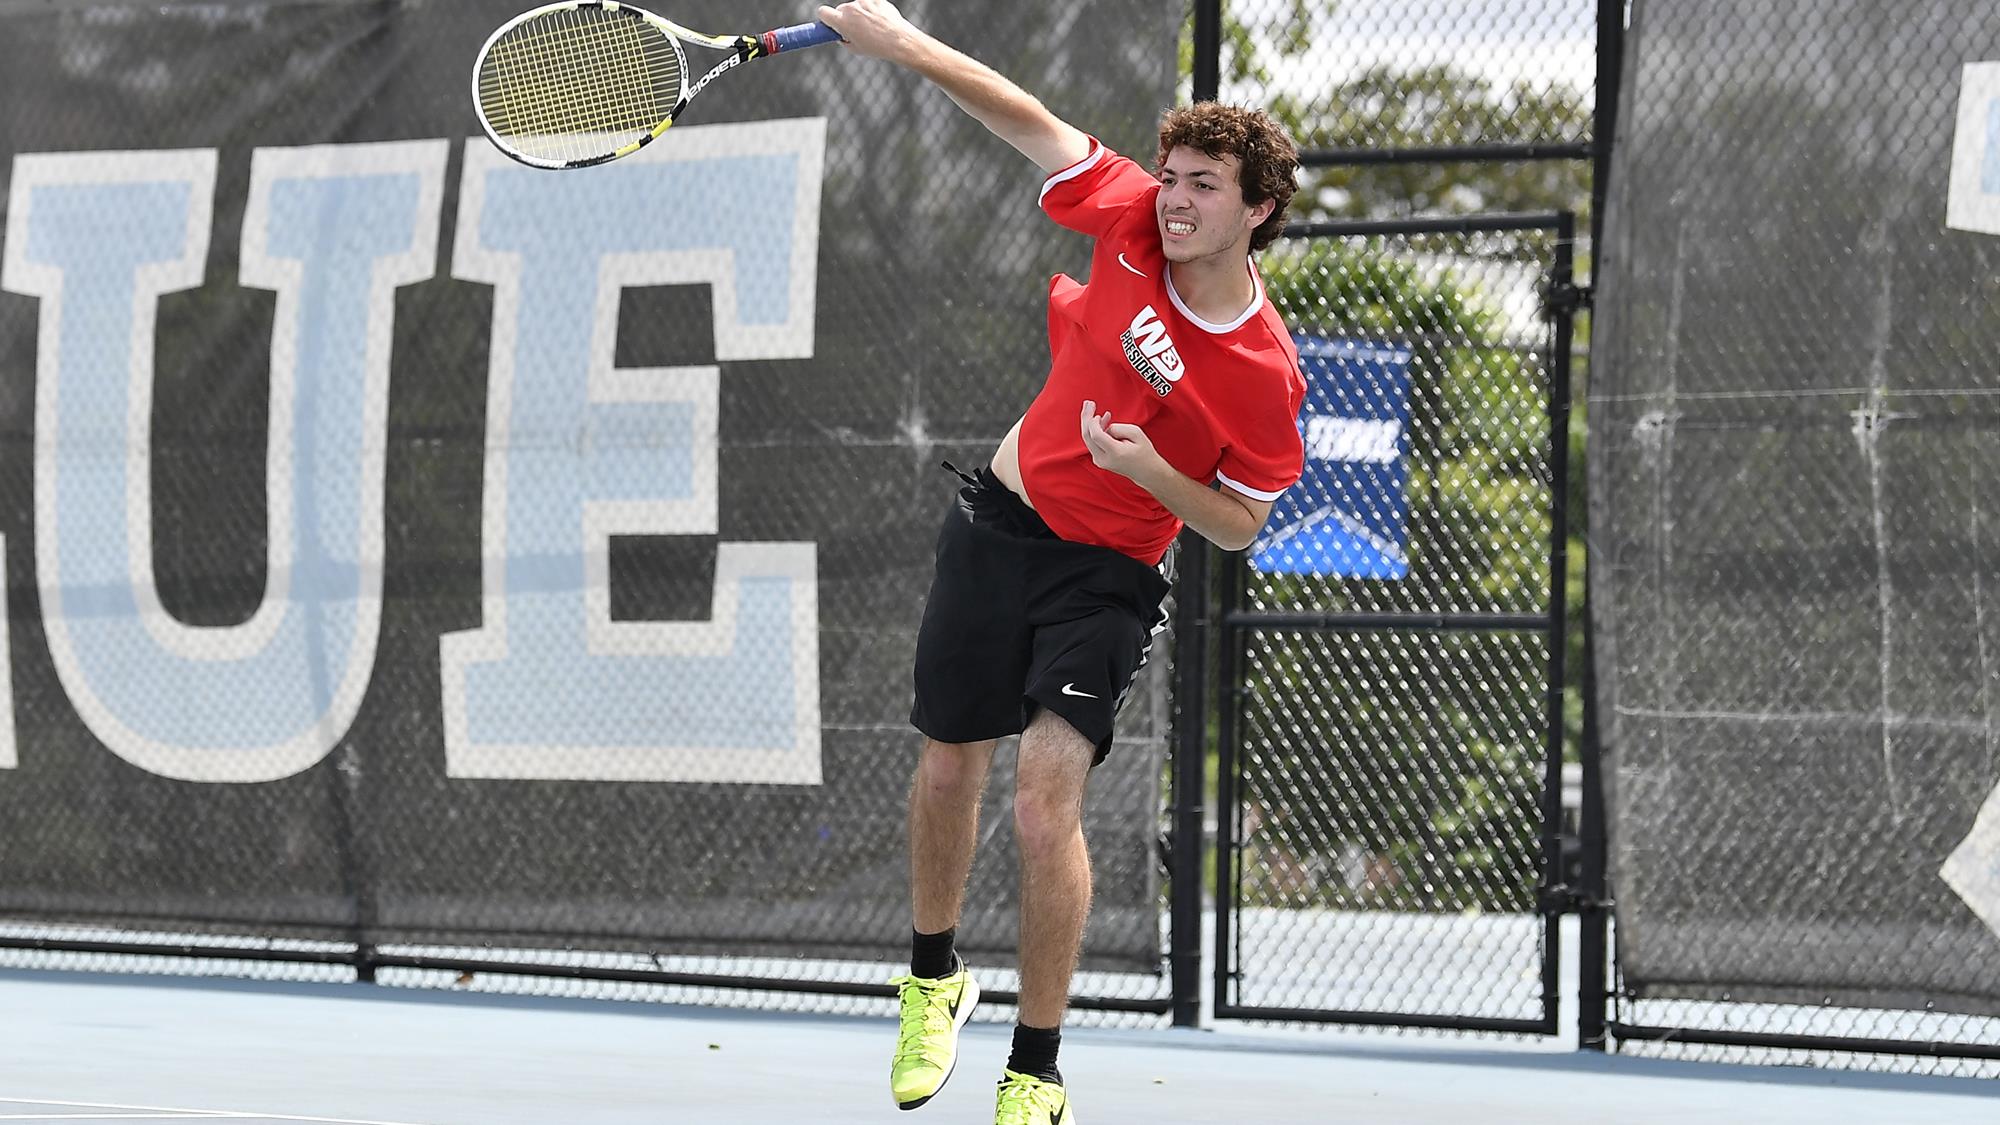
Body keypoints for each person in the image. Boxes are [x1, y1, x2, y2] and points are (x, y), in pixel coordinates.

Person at [815, 3, 1306, 1122]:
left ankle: (1035, 1069)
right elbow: (1023, 117)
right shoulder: (1127, 216)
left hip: (1107, 576)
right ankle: (933, 979)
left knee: (1045, 808)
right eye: (1171, 176)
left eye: (1204, 186)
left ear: (1257, 211)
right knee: (949, 768)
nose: (1174, 198)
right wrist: (901, 44)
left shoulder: (1264, 374)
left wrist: (1150, 472)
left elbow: (1239, 524)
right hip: (998, 526)